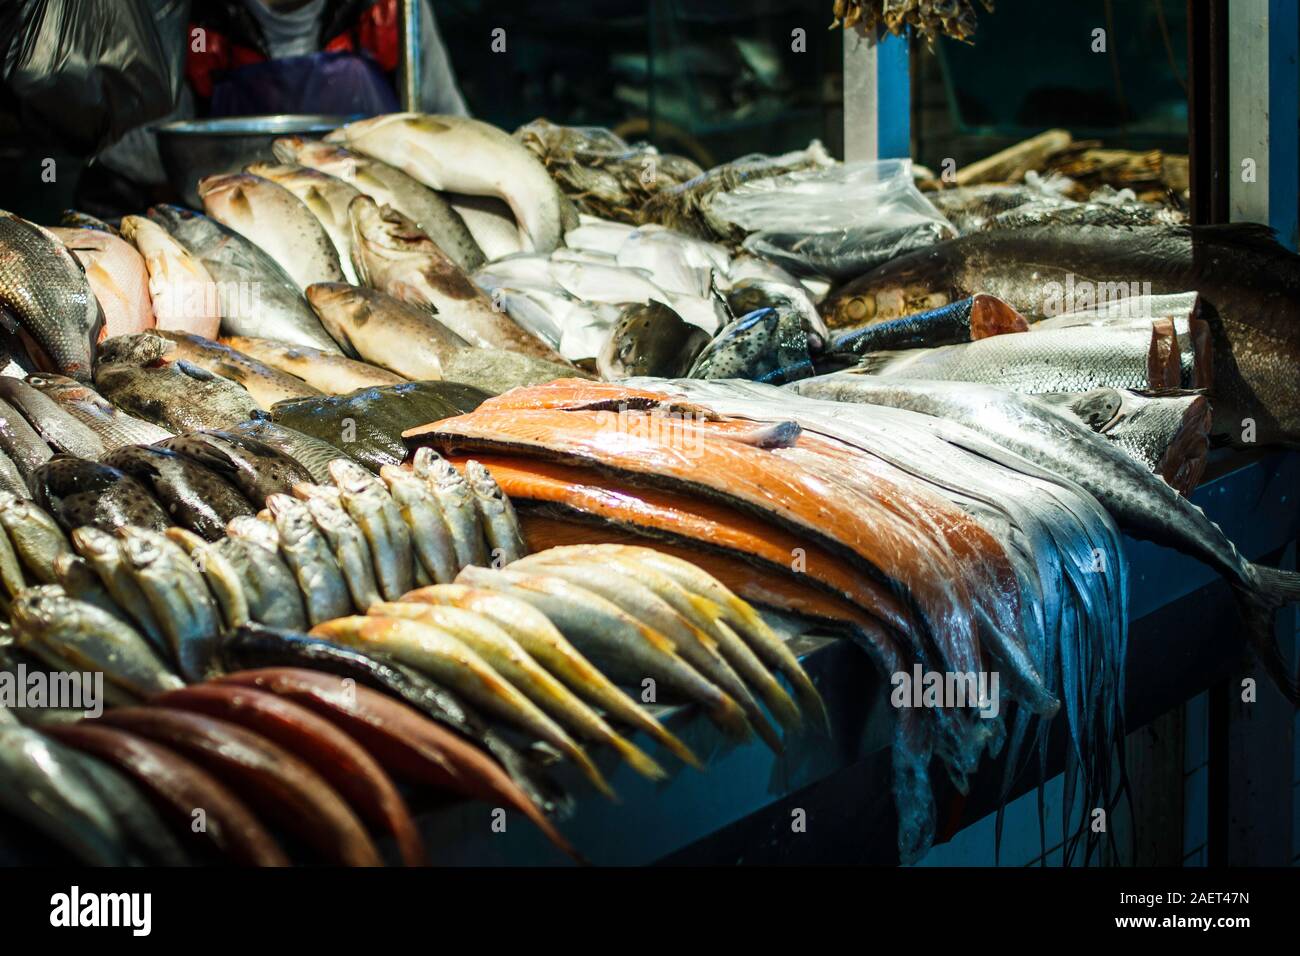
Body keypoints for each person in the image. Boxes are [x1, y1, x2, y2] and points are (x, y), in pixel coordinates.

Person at [82, 0, 467, 212]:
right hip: (232, 223)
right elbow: (145, 153)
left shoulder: (392, 12)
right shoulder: (190, 18)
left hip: (370, 219)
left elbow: (448, 130)